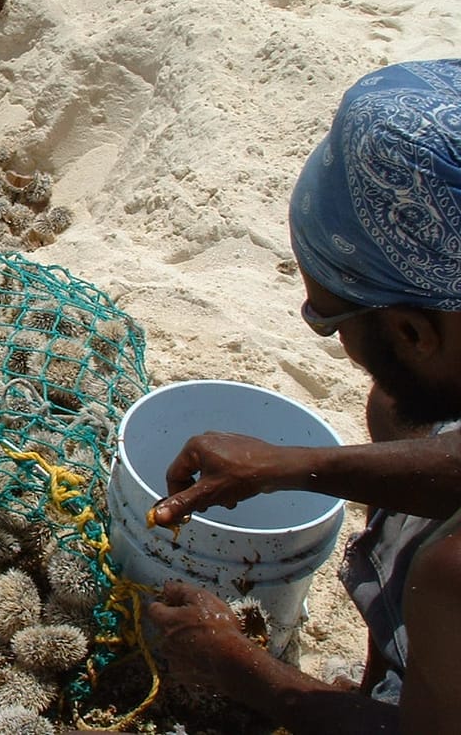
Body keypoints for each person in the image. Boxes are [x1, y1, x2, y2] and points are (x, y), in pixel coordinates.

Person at [144, 59, 461, 734]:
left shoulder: (453, 578)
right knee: (399, 413)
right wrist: (294, 466)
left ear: (412, 329)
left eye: (325, 318)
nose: (318, 327)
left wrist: (238, 667)